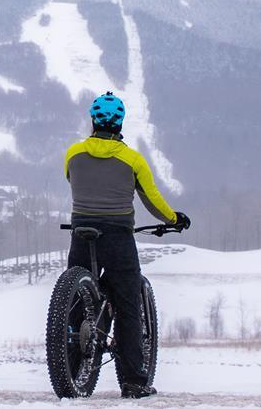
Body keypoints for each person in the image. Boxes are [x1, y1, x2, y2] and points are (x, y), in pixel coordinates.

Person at [63, 92, 189, 400]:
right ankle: (134, 381)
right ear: (120, 123)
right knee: (129, 304)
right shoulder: (132, 160)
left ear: (93, 121)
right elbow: (153, 200)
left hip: (81, 233)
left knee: (77, 304)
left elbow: (71, 179)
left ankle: (73, 369)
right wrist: (174, 218)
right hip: (118, 236)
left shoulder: (73, 154)